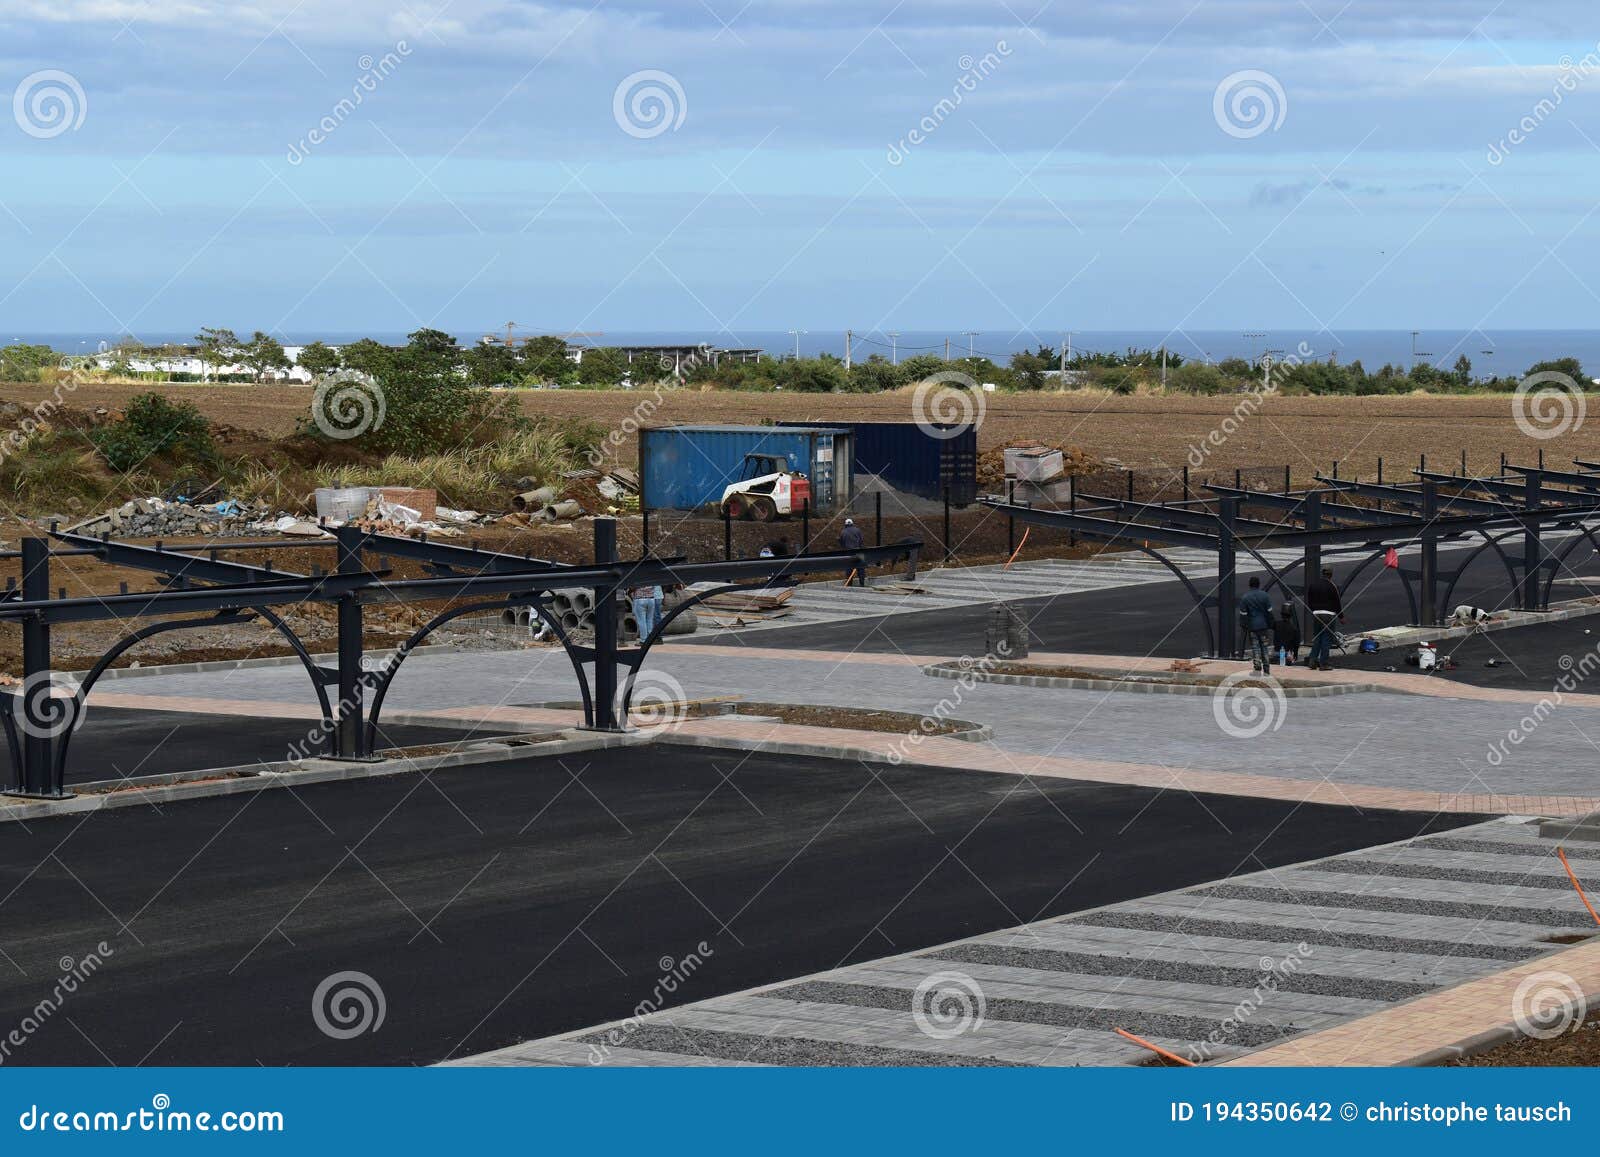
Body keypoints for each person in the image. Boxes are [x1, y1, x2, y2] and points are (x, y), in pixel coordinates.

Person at [1305, 566, 1344, 671]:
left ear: (1322, 574)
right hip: (1329, 615)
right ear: (1331, 575)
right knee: (1326, 639)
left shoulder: (1313, 585)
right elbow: (1337, 603)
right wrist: (1341, 617)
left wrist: (1314, 610)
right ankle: (1324, 663)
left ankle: (1312, 661)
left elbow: (1309, 600)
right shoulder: (1332, 586)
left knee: (1317, 637)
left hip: (1317, 614)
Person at [1237, 575, 1274, 673]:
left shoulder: (1245, 597)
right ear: (1259, 584)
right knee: (1264, 647)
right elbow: (1269, 612)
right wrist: (1270, 624)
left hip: (1252, 626)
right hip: (1263, 626)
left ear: (1249, 585)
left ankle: (1257, 664)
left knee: (1255, 646)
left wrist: (1244, 625)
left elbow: (1243, 615)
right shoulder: (1265, 596)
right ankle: (1266, 667)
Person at [839, 518, 865, 585]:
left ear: (845, 524)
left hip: (849, 552)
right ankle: (862, 583)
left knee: (849, 568)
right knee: (861, 568)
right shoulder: (858, 530)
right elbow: (861, 540)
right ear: (852, 524)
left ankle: (850, 583)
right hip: (859, 551)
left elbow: (842, 543)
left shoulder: (843, 532)